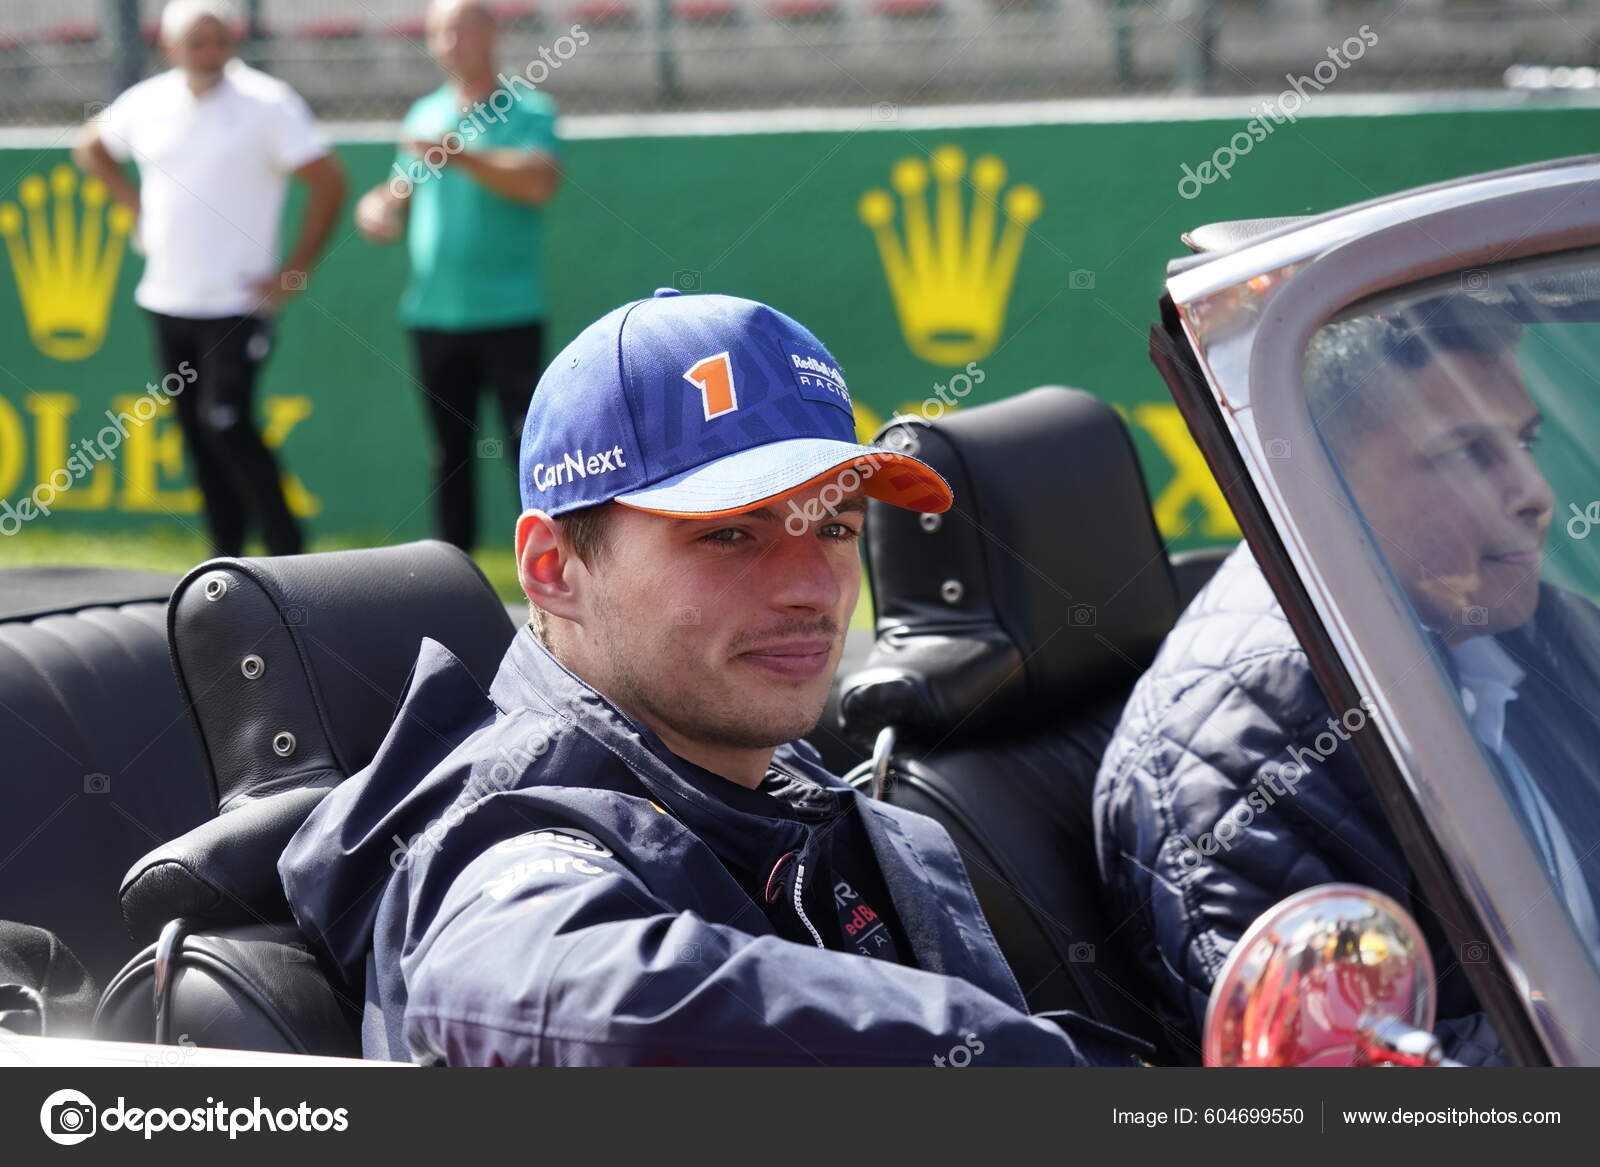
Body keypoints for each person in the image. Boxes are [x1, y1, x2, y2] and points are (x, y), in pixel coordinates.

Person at [280, 290, 1129, 1066]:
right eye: (730, 534)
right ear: (551, 569)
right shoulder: (511, 828)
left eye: (834, 526)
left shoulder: (793, 789)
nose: (812, 588)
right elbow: (566, 990)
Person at [1096, 297, 1600, 1068]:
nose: (1534, 491)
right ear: (1323, 484)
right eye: (1467, 453)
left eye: (1524, 440)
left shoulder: (1545, 632)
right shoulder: (1243, 755)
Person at [73, 0, 345, 558]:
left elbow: (328, 181)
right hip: (168, 299)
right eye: (196, 42)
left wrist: (295, 270)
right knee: (197, 436)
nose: (209, 53)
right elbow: (91, 147)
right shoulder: (146, 102)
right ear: (170, 46)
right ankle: (225, 559)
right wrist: (134, 209)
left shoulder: (267, 102)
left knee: (227, 423)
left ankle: (288, 555)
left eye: (219, 40)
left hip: (237, 303)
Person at [354, 0, 561, 552]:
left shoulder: (528, 107)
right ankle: (453, 581)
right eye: (438, 34)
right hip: (432, 315)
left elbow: (539, 180)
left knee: (528, 451)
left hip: (508, 312)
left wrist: (462, 156)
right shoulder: (423, 113)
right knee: (448, 454)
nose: (449, 44)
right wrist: (376, 208)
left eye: (459, 32)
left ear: (490, 33)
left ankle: (549, 580)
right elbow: (397, 191)